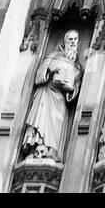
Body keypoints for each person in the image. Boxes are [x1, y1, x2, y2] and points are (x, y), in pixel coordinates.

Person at [21, 30, 83, 161]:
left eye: (75, 40)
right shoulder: (52, 56)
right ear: (64, 41)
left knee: (57, 123)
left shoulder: (78, 66)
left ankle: (51, 151)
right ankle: (38, 149)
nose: (72, 42)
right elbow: (38, 77)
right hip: (46, 93)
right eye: (70, 39)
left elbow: (76, 88)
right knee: (42, 121)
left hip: (60, 98)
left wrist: (71, 89)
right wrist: (50, 71)